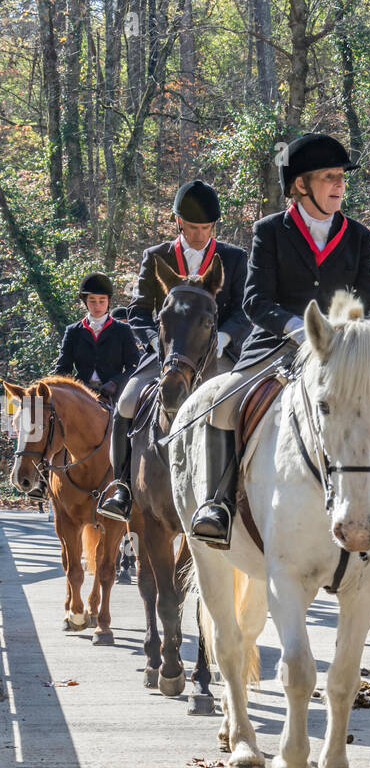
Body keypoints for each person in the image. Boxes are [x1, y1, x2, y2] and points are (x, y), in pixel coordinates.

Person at [190, 133, 370, 551]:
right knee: (226, 403)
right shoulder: (269, 231)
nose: (339, 184)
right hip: (278, 343)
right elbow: (255, 300)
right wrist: (296, 327)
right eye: (329, 176)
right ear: (300, 184)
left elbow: (365, 300)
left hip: (343, 351)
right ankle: (218, 504)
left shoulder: (358, 235)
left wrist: (354, 339)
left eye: (341, 176)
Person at [97, 180, 249, 521]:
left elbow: (243, 310)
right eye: (193, 227)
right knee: (126, 401)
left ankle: (238, 489)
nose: (199, 235)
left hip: (215, 352)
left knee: (241, 405)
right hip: (167, 354)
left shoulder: (234, 258)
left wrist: (224, 338)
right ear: (179, 221)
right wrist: (154, 340)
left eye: (206, 228)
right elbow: (138, 310)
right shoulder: (157, 257)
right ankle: (121, 487)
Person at [54, 272, 140, 399]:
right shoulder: (73, 331)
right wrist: (79, 385)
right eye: (92, 301)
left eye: (102, 300)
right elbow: (62, 369)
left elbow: (133, 366)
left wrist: (115, 382)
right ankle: (30, 418)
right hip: (80, 394)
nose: (97, 306)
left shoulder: (122, 330)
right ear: (85, 301)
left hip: (114, 392)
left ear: (108, 300)